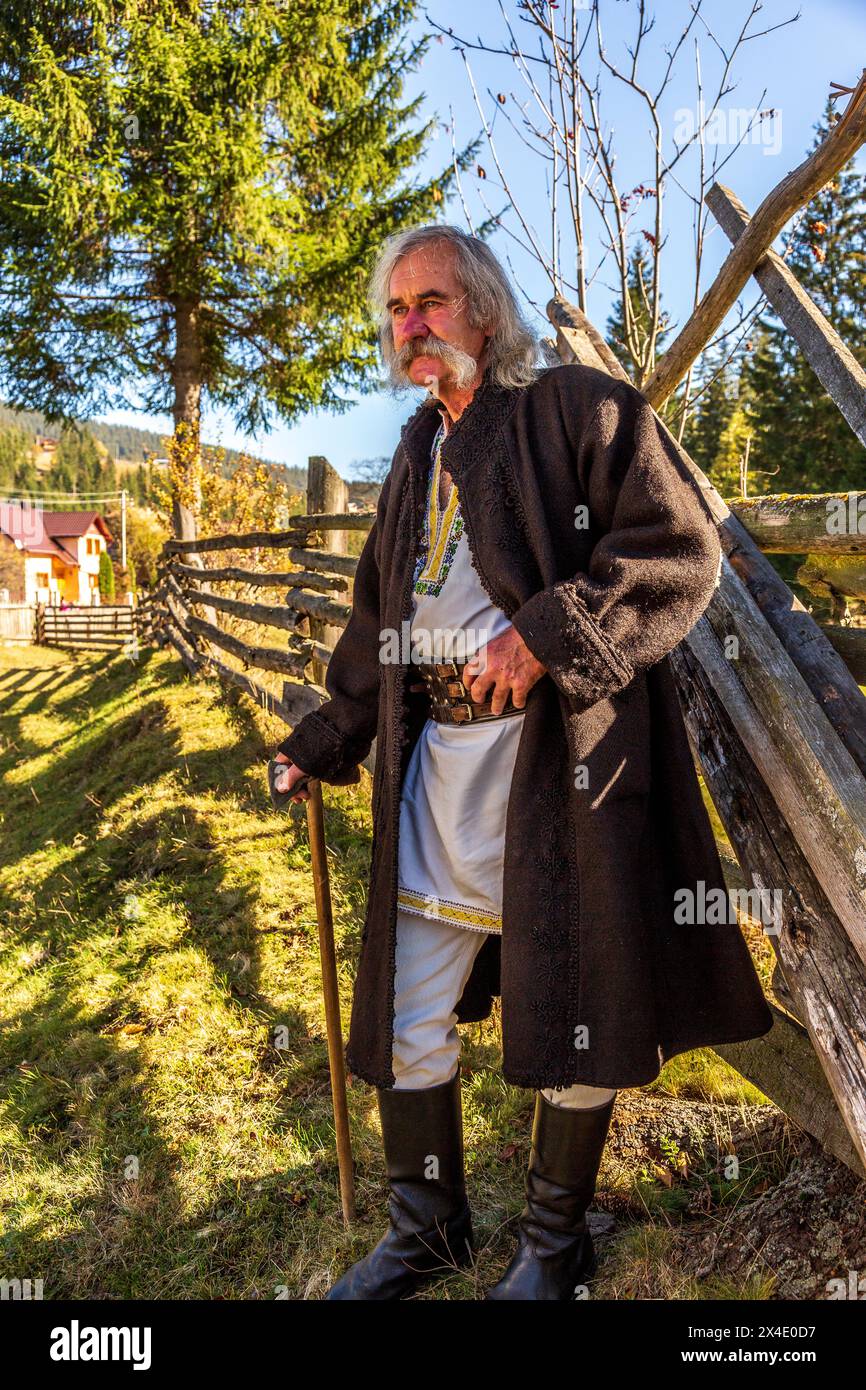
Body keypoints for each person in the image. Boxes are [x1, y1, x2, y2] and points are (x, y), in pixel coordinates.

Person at [275, 225, 773, 1301]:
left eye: (432, 303)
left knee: (581, 993)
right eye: (397, 309)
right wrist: (323, 740)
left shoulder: (573, 410)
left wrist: (545, 633)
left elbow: (674, 543)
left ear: (484, 315)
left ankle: (554, 1246)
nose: (412, 325)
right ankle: (428, 1232)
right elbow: (376, 625)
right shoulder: (415, 455)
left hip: (561, 771)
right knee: (405, 1000)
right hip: (438, 769)